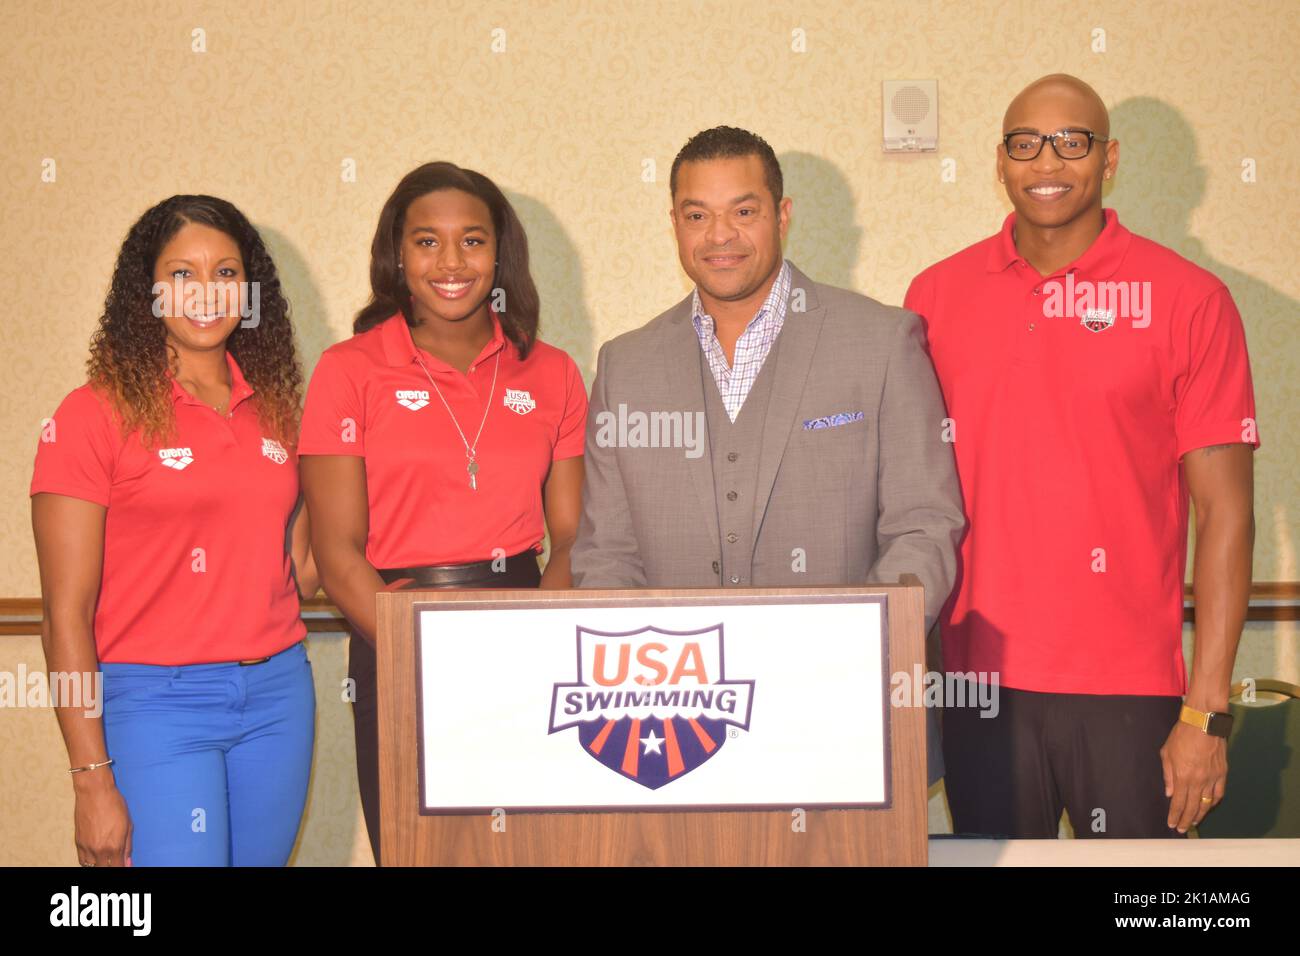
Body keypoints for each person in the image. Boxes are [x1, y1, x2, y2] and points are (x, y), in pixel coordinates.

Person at [905, 74, 1258, 839]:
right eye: (1026, 143)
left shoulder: (1189, 300)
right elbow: (908, 495)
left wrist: (1208, 709)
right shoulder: (934, 296)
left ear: (1109, 158)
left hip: (1132, 691)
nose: (1048, 162)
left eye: (1073, 142)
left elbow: (1226, 512)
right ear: (1000, 162)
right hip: (979, 681)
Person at [571, 126, 964, 785]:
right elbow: (606, 555)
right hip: (677, 739)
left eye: (743, 211)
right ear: (674, 224)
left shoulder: (881, 342)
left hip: (848, 723)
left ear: (782, 215)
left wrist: (853, 656)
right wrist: (649, 689)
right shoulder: (625, 366)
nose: (719, 235)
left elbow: (924, 527)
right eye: (698, 215)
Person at [299, 162, 587, 865]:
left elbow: (576, 536)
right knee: (419, 851)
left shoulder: (553, 372)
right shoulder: (348, 370)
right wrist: (419, 647)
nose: (451, 262)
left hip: (526, 636)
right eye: (427, 242)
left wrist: (539, 638)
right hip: (395, 634)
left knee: (530, 849)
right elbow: (337, 554)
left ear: (500, 256)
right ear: (397, 255)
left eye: (473, 241)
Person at [31, 195, 318, 866]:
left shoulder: (275, 409)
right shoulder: (91, 415)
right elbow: (62, 616)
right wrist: (90, 778)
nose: (206, 292)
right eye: (181, 274)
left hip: (278, 699)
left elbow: (306, 568)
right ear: (149, 290)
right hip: (154, 706)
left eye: (225, 273)